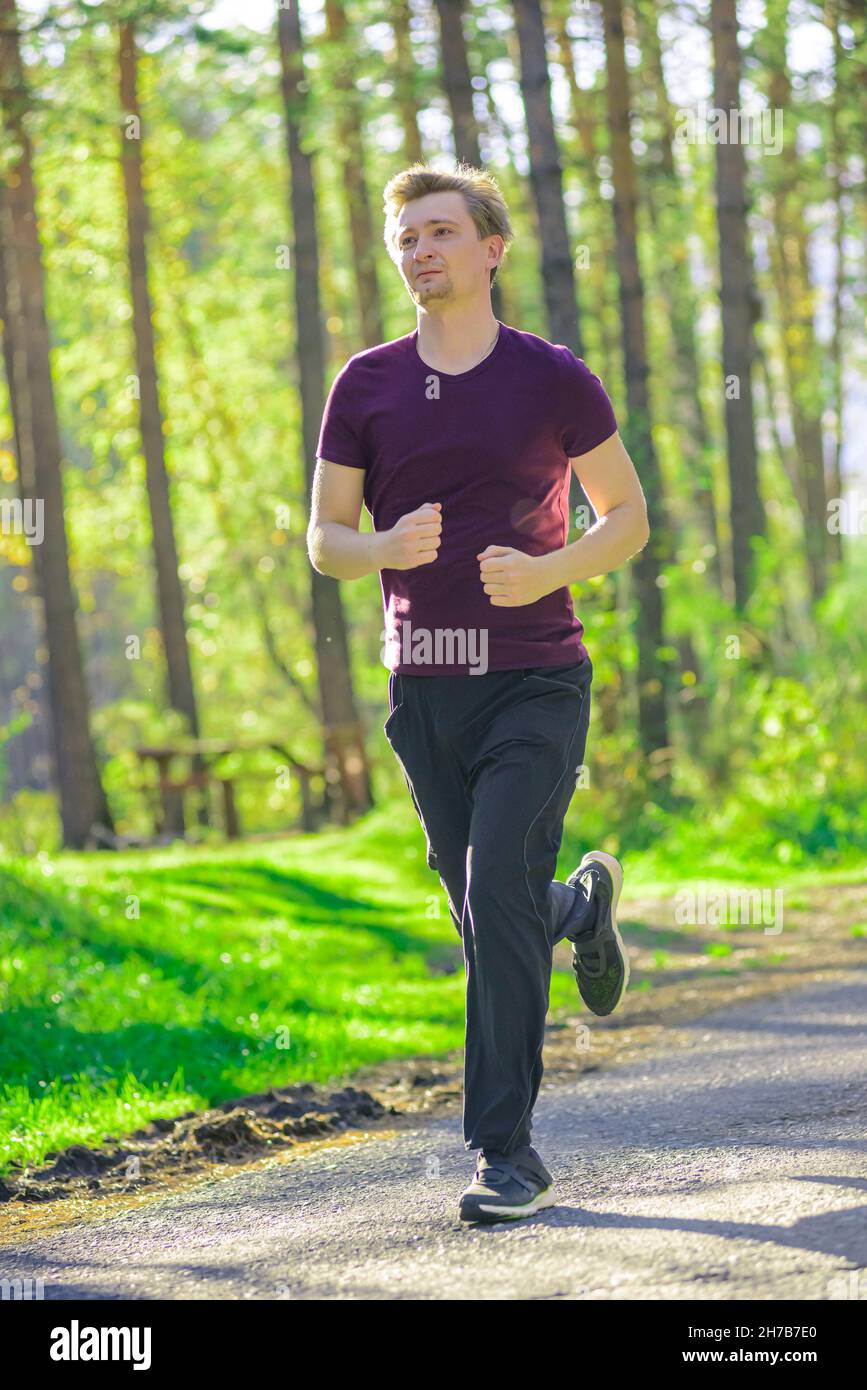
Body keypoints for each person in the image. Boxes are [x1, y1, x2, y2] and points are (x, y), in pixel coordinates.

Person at [308, 163, 649, 1224]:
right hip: (426, 687)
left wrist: (551, 570)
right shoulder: (363, 385)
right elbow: (324, 540)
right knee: (483, 907)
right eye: (405, 237)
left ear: (491, 247)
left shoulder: (552, 379)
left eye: (441, 232)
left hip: (537, 676)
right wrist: (384, 545)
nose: (420, 252)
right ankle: (577, 907)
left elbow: (627, 515)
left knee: (494, 879)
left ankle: (507, 1152)